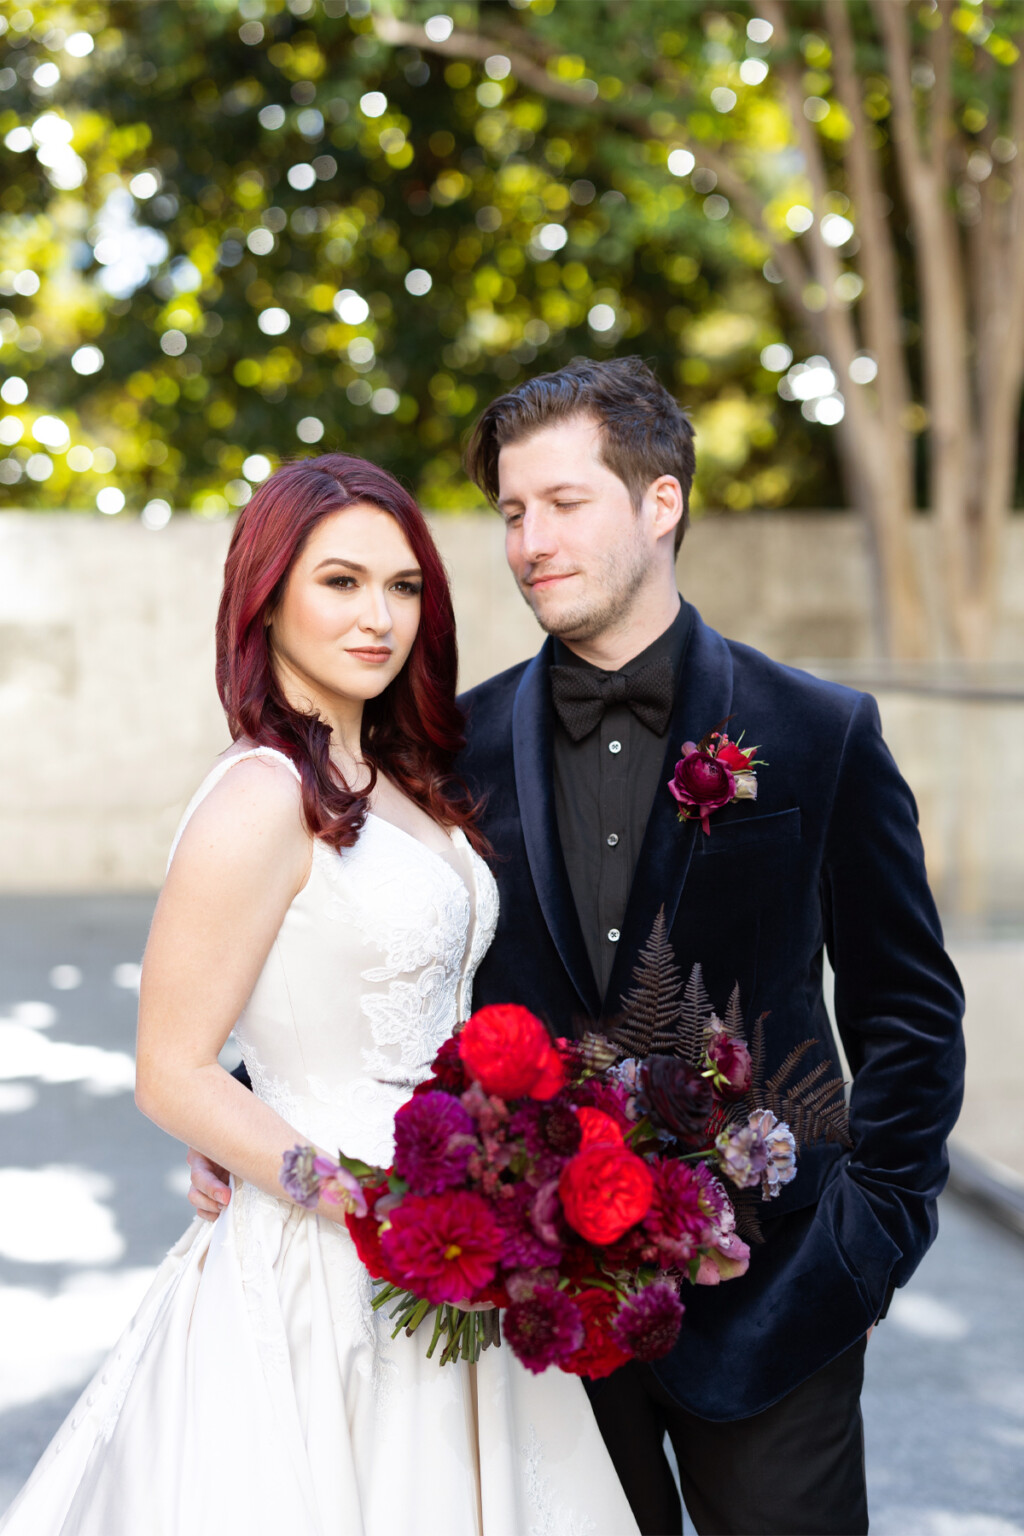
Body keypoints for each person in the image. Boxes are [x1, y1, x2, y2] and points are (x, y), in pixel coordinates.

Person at [188, 359, 966, 1535]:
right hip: (540, 1325)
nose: (529, 542)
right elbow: (390, 956)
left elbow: (907, 1011)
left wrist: (868, 1244)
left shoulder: (820, 732)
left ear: (660, 504)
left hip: (777, 1296)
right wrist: (246, 1106)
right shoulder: (442, 750)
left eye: (563, 503)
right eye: (511, 512)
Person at [0, 454, 639, 1536]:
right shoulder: (259, 794)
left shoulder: (397, 779)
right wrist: (369, 1206)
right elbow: (171, 1071)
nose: (378, 617)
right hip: (331, 1253)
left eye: (403, 586)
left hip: (456, 1238)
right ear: (267, 598)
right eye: (341, 582)